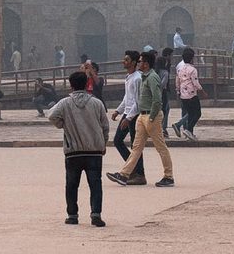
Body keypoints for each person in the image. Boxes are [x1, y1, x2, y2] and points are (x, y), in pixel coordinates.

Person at [48, 70, 109, 227]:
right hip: (94, 151)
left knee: (71, 184)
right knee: (95, 184)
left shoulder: (65, 103)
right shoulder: (97, 103)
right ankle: (96, 214)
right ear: (87, 84)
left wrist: (62, 124)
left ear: (71, 85)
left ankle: (72, 215)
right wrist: (103, 144)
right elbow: (105, 126)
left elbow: (51, 116)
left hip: (73, 151)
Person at [108, 50, 174, 187]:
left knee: (161, 147)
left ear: (146, 63)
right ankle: (124, 174)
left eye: (141, 61)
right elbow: (130, 98)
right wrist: (120, 111)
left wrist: (152, 117)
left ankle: (169, 176)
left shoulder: (152, 77)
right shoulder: (144, 77)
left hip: (150, 116)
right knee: (136, 147)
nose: (139, 63)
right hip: (141, 116)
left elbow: (157, 99)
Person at [110, 50, 145, 185]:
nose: (123, 62)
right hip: (127, 113)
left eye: (126, 60)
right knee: (118, 141)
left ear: (134, 62)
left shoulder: (138, 78)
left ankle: (139, 174)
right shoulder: (129, 77)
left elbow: (137, 101)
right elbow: (127, 97)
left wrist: (129, 118)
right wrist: (119, 111)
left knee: (135, 145)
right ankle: (133, 170)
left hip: (134, 115)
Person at [173, 47, 208, 141]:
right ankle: (188, 129)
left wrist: (177, 90)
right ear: (192, 58)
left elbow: (178, 81)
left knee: (191, 113)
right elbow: (195, 83)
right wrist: (202, 91)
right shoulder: (192, 70)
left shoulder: (180, 69)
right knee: (197, 113)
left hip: (183, 95)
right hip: (192, 95)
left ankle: (189, 132)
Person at [157, 48, 173, 137]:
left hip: (158, 93)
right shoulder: (165, 72)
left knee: (162, 110)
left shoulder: (156, 70)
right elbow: (163, 84)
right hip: (163, 93)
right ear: (167, 56)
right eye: (171, 55)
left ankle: (161, 128)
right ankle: (162, 128)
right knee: (165, 110)